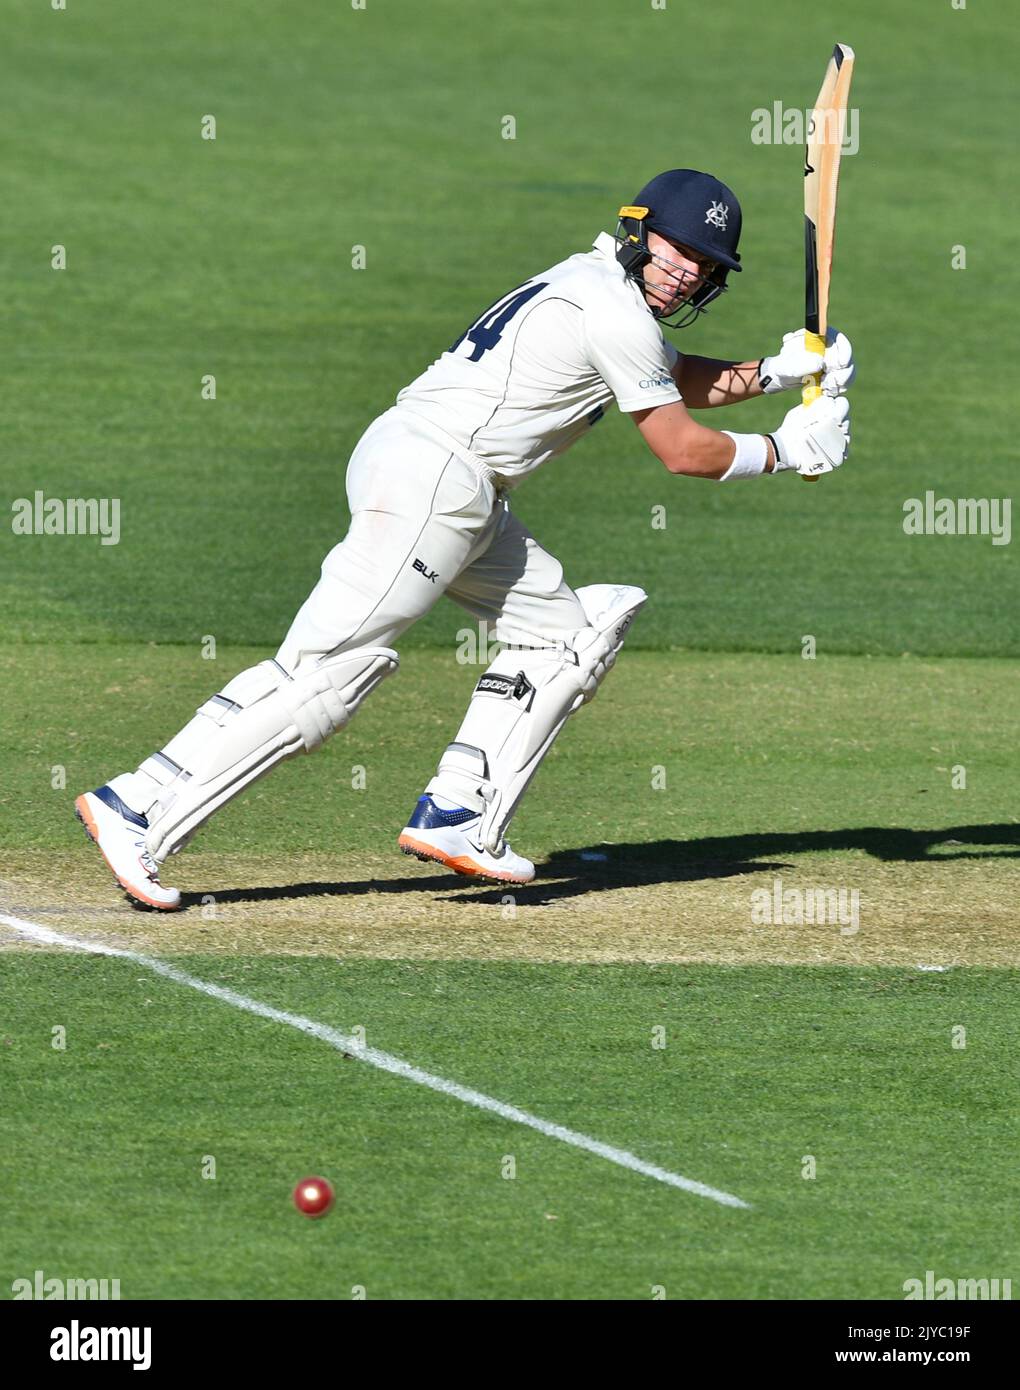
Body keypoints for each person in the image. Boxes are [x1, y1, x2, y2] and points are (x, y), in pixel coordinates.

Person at [74, 168, 853, 910]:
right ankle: (141, 807)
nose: (686, 273)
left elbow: (667, 373)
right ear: (638, 233)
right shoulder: (612, 309)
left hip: (449, 479)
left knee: (565, 638)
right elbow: (683, 450)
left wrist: (778, 372)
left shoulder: (594, 286)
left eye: (704, 264)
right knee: (326, 672)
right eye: (679, 250)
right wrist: (785, 450)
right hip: (437, 479)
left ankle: (459, 812)